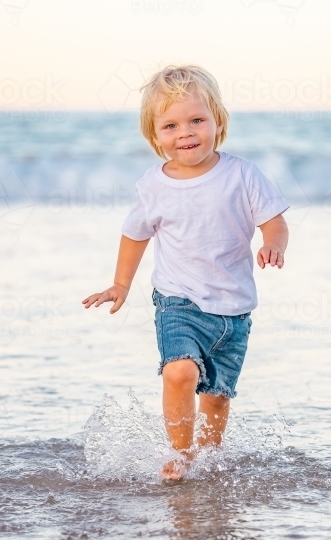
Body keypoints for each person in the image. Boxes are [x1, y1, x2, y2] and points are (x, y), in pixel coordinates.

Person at [82, 64, 290, 480]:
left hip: (233, 311)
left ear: (218, 121)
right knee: (179, 370)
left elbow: (274, 221)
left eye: (197, 120)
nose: (186, 133)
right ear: (154, 135)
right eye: (171, 126)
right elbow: (134, 234)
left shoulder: (242, 175)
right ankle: (179, 455)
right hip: (178, 300)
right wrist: (121, 284)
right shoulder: (154, 185)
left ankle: (207, 461)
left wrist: (273, 244)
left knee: (216, 397)